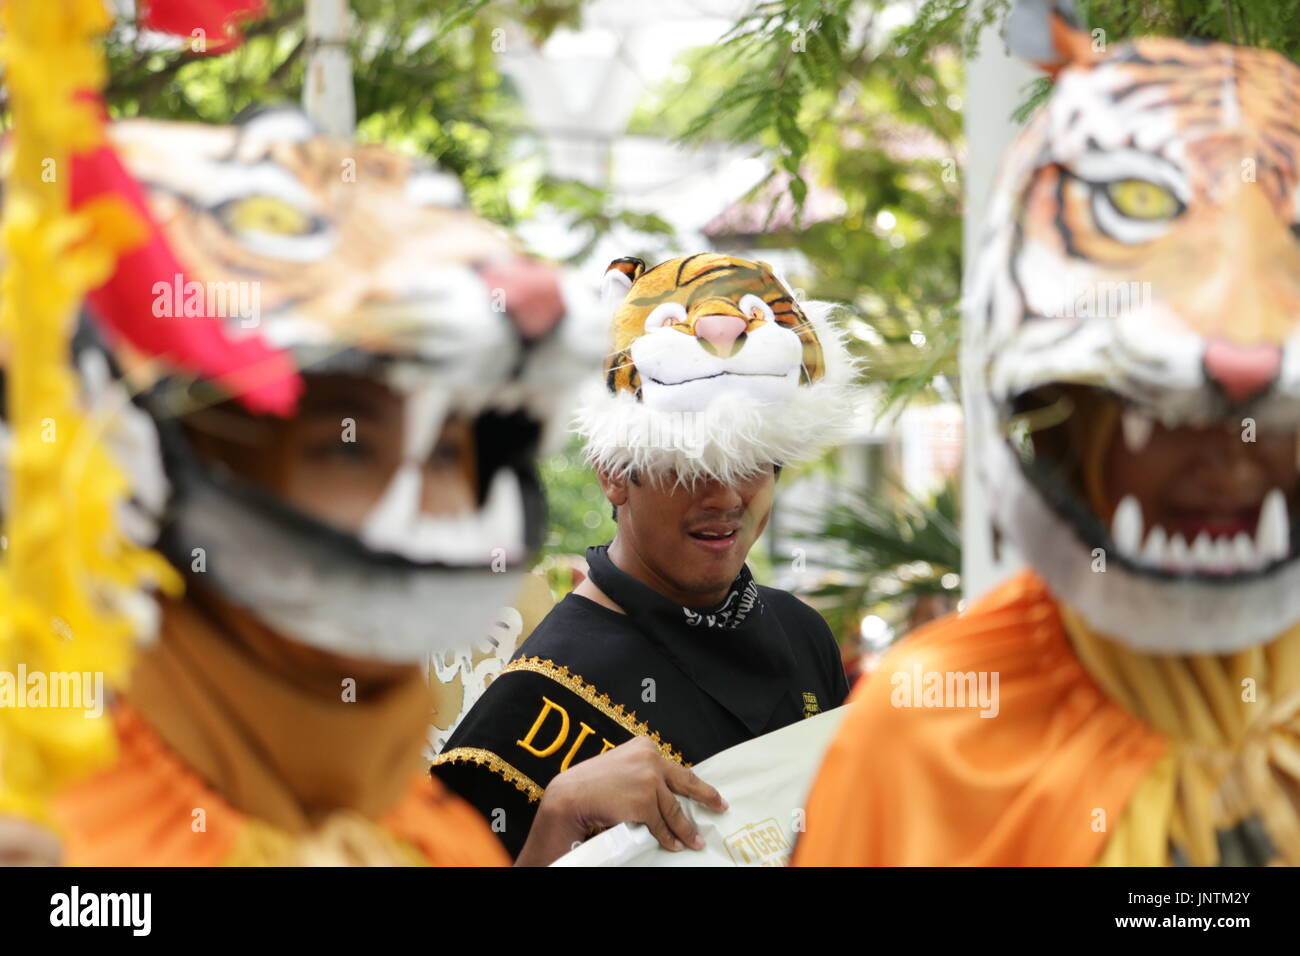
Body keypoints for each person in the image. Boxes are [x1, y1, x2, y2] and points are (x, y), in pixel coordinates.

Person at [25, 106, 636, 866]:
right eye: (344, 449)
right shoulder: (53, 836)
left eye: (447, 449)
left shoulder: (434, 838)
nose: (422, 504)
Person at [794, 1, 1300, 866]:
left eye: (1275, 421)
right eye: (1156, 416)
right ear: (1066, 420)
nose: (1227, 462)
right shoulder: (929, 735)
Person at [433, 253, 857, 860]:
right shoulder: (533, 698)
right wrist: (557, 819)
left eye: (754, 463)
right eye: (693, 467)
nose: (729, 496)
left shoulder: (803, 633)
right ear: (613, 473)